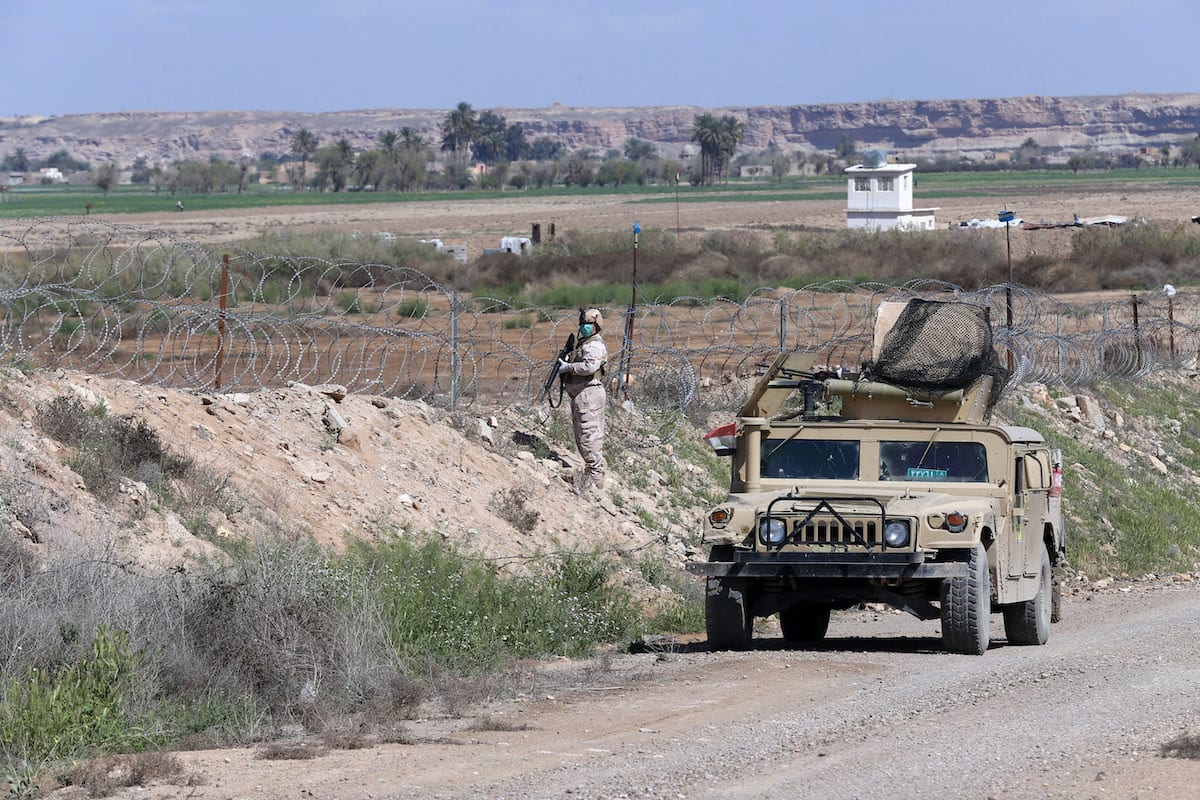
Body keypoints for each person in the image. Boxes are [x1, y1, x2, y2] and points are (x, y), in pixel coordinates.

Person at [558, 308, 608, 494]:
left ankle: (595, 478)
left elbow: (590, 366)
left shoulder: (593, 346)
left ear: (595, 326)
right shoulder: (585, 343)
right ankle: (595, 468)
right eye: (582, 324)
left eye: (588, 324)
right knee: (584, 434)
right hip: (583, 394)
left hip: (588, 394)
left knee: (588, 434)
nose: (584, 327)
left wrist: (568, 367)